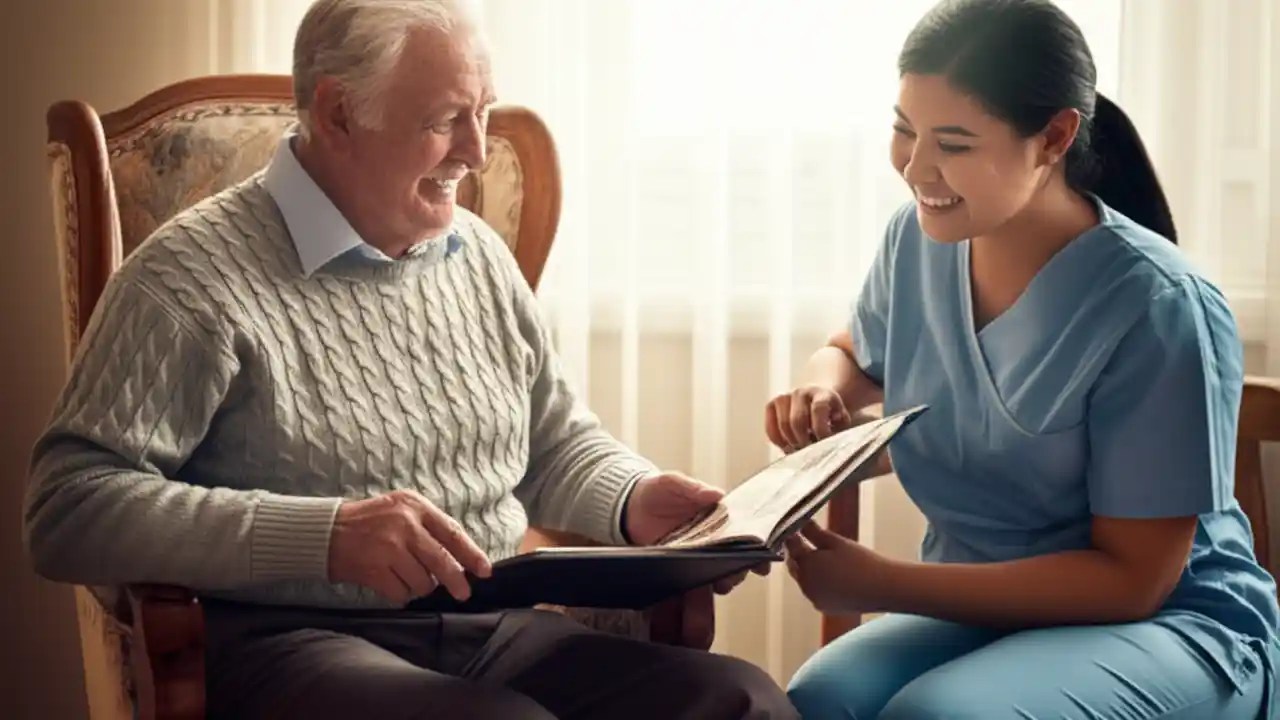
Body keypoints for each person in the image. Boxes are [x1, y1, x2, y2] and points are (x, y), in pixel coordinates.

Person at [23, 1, 797, 718]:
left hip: (493, 626)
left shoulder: (477, 255)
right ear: (338, 113)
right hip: (287, 641)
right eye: (447, 120)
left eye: (484, 113)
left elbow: (553, 441)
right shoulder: (187, 280)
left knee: (739, 700)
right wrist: (325, 536)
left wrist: (634, 497)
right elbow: (67, 508)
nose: (476, 151)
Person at [768, 1, 1279, 718]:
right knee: (820, 699)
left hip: (1167, 625)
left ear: (1055, 138)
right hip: (984, 603)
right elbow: (856, 349)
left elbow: (1134, 582)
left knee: (941, 715)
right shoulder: (918, 240)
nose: (916, 167)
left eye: (953, 142)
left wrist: (882, 583)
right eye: (904, 129)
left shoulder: (1158, 304)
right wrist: (820, 386)